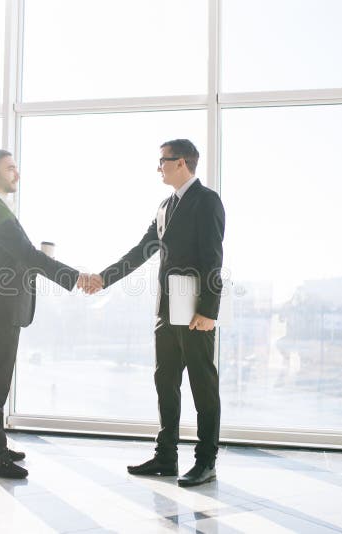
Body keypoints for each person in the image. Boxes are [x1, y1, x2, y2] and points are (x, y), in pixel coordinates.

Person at [85, 139, 225, 487]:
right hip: (166, 310)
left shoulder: (207, 201)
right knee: (166, 382)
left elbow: (213, 258)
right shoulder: (165, 206)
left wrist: (209, 311)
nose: (158, 168)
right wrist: (104, 278)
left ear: (181, 163)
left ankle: (206, 461)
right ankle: (166, 457)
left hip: (196, 311)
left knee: (202, 385)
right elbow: (142, 250)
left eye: (162, 161)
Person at [0, 149, 101, 479]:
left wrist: (36, 261)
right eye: (10, 168)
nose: (17, 174)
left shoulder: (0, 210)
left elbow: (21, 256)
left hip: (3, 305)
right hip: (2, 306)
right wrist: (76, 278)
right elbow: (28, 255)